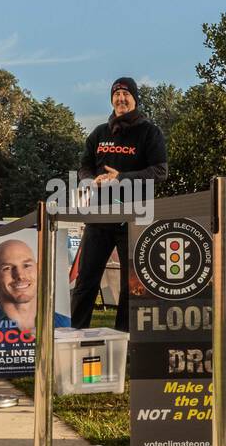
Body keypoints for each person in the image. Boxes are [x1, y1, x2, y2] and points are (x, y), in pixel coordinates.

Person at [71, 77, 167, 330]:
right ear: (111, 99)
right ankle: (75, 334)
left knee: (130, 284)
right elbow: (84, 166)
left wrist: (121, 178)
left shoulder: (149, 132)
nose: (121, 99)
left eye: (126, 94)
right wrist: (89, 180)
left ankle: (123, 340)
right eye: (116, 94)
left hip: (134, 217)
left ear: (135, 99)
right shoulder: (99, 133)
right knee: (85, 281)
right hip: (99, 217)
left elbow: (159, 171)